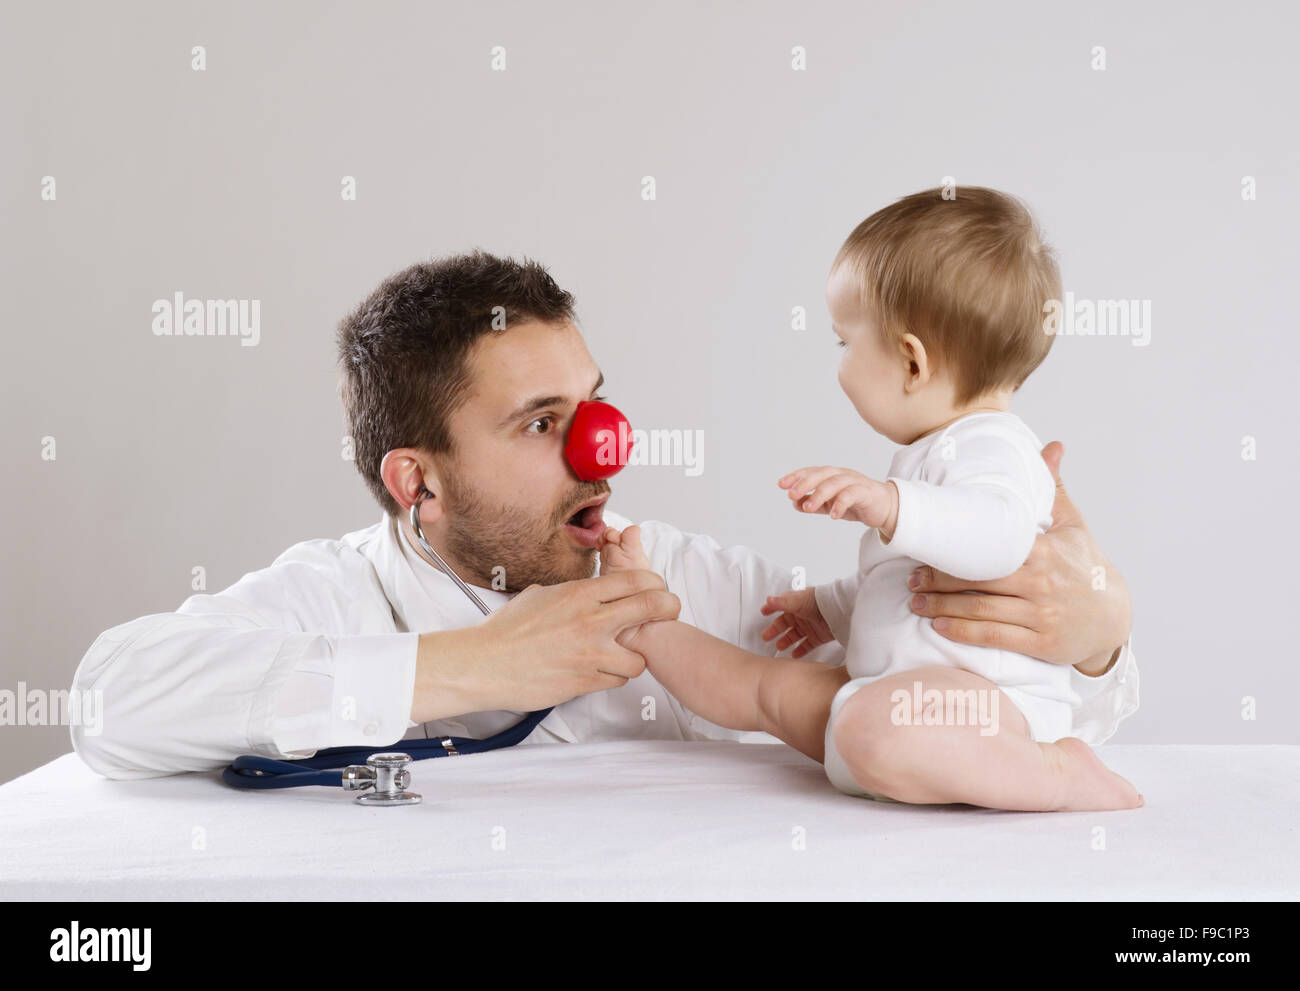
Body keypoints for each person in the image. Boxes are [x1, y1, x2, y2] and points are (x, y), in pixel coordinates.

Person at [69, 250, 1138, 779]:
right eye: (543, 424)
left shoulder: (687, 582)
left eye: (592, 406)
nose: (600, 450)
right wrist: (478, 667)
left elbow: (963, 718)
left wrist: (1092, 650)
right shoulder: (336, 592)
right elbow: (111, 702)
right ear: (416, 483)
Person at [597, 188, 1142, 810]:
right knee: (763, 690)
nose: (840, 362)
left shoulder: (996, 445)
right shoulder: (937, 452)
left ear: (912, 363)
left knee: (869, 724)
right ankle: (643, 627)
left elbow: (1000, 539)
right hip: (898, 699)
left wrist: (889, 505)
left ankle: (1056, 772)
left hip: (985, 715)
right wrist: (829, 607)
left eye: (845, 342)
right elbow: (919, 580)